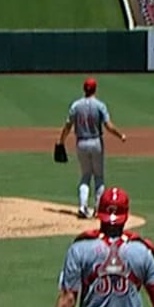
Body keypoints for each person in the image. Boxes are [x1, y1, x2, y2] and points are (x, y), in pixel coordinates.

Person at [57, 77, 126, 219]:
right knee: (99, 177)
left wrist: (61, 141)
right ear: (95, 89)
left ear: (84, 89)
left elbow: (68, 126)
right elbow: (108, 126)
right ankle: (97, 209)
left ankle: (82, 207)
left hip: (81, 143)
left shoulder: (76, 106)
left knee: (85, 176)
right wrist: (120, 135)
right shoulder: (100, 105)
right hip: (96, 143)